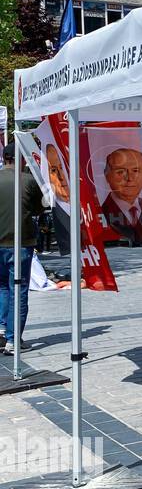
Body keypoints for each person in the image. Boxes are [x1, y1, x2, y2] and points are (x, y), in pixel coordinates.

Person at [0, 143, 45, 353]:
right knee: (19, 289)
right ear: (21, 159)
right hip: (21, 243)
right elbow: (39, 207)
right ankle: (12, 339)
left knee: (2, 287)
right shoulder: (27, 180)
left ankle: (2, 329)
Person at [100, 147, 142, 246]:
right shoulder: (101, 210)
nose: (129, 178)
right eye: (120, 172)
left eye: (135, 171)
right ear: (107, 176)